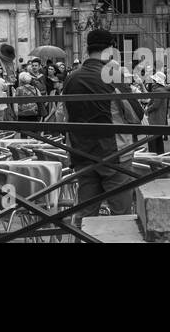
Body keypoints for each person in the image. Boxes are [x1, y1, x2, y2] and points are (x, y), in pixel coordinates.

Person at [62, 29, 135, 225]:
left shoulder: (70, 78)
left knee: (85, 215)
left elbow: (65, 116)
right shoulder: (112, 75)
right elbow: (136, 115)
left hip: (82, 152)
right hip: (114, 154)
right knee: (122, 216)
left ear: (87, 48)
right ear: (110, 49)